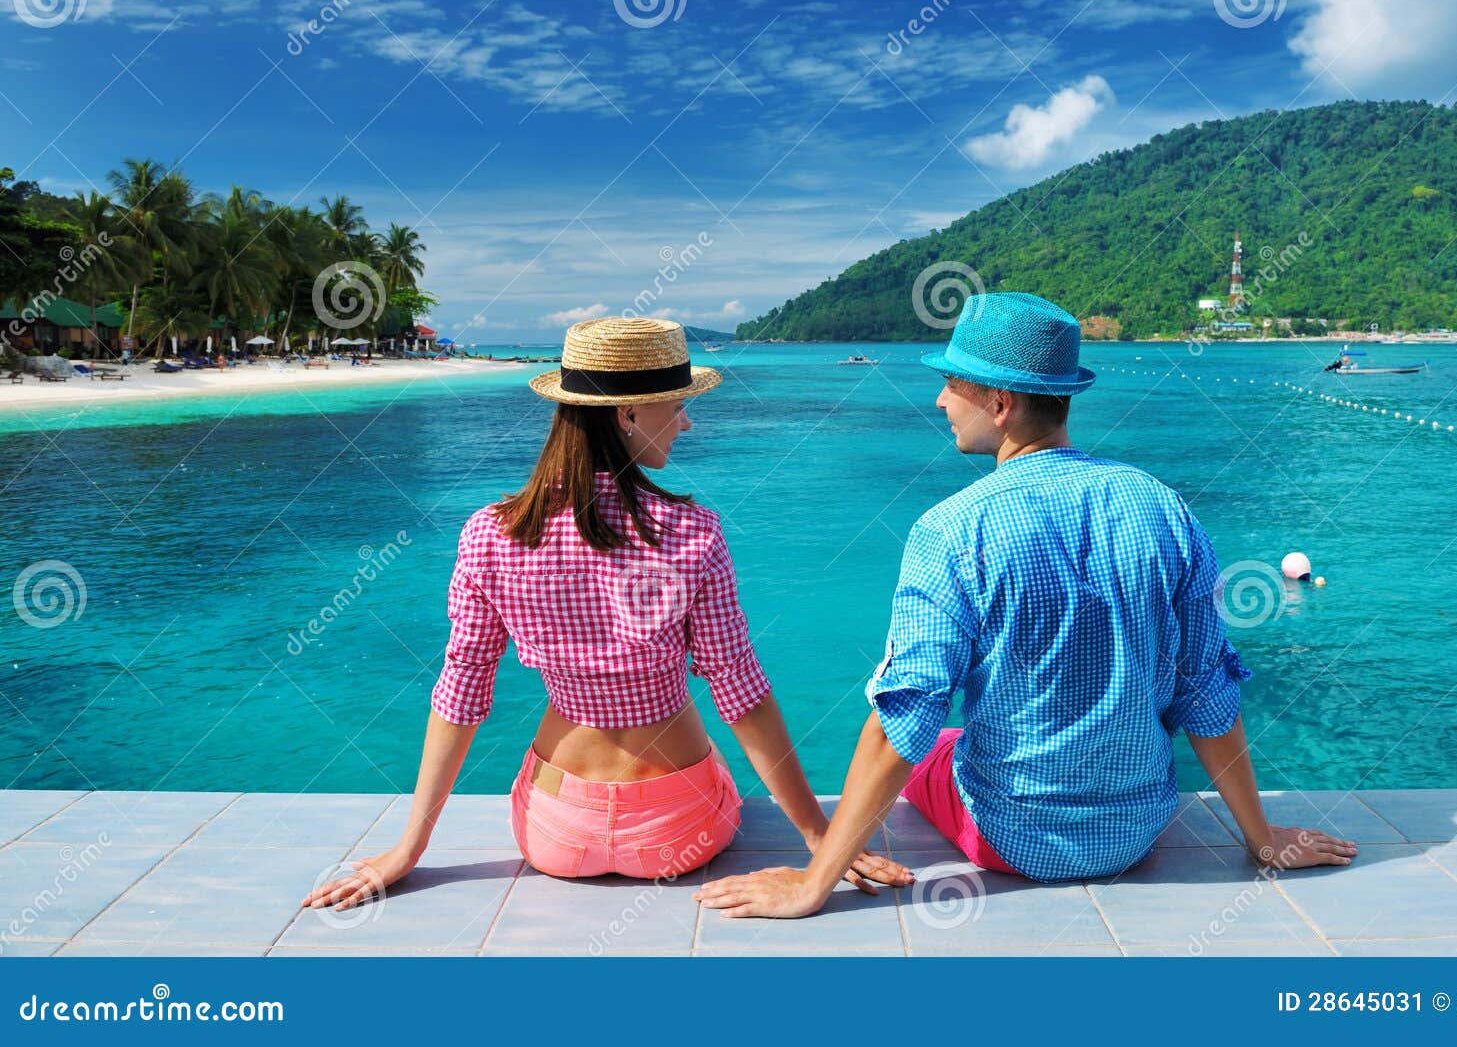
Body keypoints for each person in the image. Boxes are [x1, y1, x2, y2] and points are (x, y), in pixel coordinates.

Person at [697, 292, 1358, 919]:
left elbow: (904, 719)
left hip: (1012, 841)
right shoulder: (1165, 507)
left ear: (1000, 402)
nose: (939, 399)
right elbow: (1207, 689)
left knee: (935, 743)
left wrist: (814, 881)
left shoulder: (950, 530)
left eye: (952, 384)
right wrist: (1261, 838)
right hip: (1138, 831)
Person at [304, 316, 909, 911]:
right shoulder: (693, 533)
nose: (686, 421)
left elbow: (461, 691)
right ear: (628, 413)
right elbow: (740, 693)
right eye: (677, 405)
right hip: (679, 827)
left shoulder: (490, 533)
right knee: (714, 748)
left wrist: (410, 847)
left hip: (556, 831)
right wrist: (817, 835)